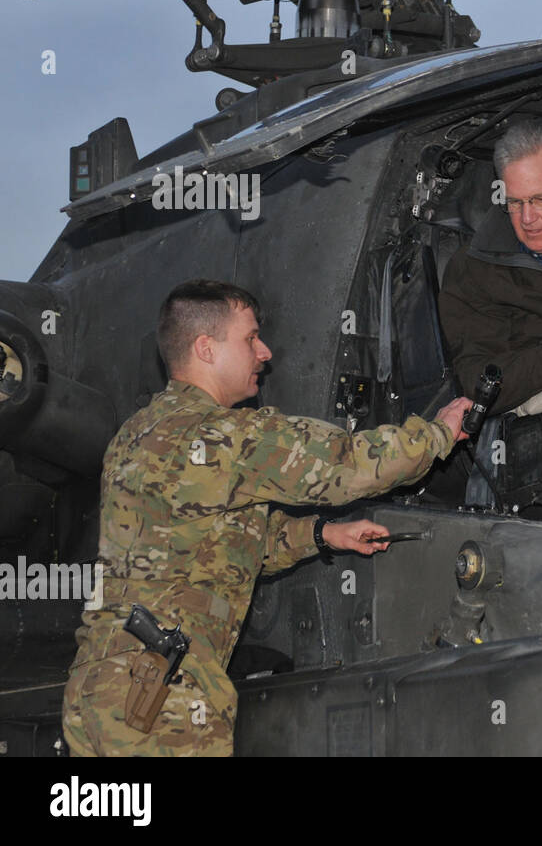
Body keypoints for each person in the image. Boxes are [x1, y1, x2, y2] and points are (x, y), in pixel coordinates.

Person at [61, 279, 472, 756]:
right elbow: (347, 463)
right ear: (205, 348)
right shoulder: (226, 436)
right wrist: (438, 434)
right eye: (250, 338)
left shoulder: (136, 435)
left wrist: (323, 534)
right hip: (162, 702)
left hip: (98, 688)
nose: (265, 352)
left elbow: (218, 540)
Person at [439, 120, 542, 455]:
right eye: (515, 202)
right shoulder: (476, 269)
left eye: (541, 199)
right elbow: (477, 382)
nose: (527, 218)